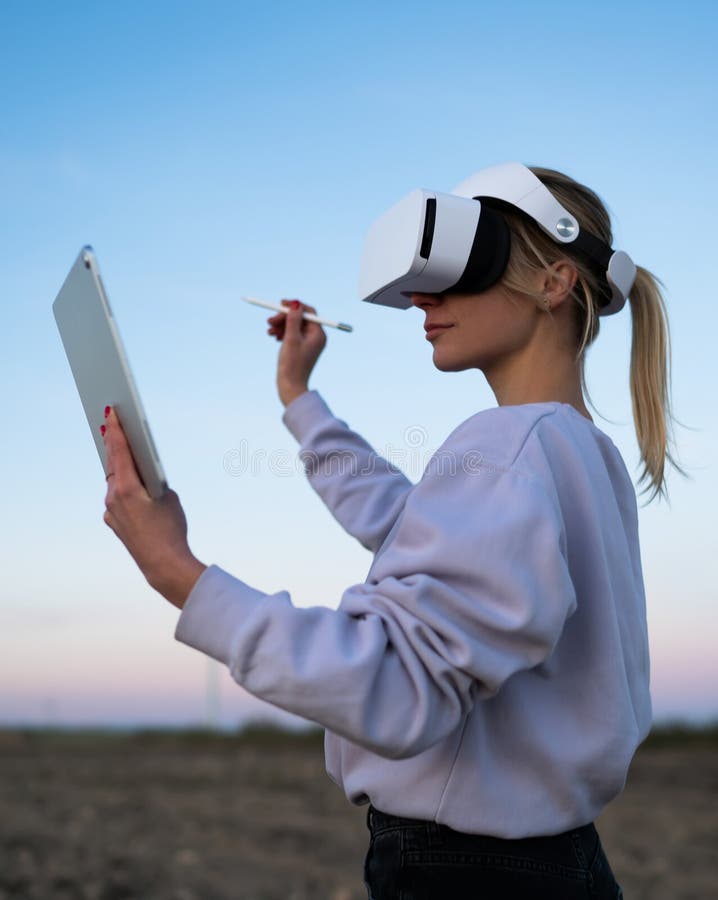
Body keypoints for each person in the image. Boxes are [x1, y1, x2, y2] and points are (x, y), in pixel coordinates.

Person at [100, 165, 684, 899]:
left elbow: (402, 685)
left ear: (554, 282)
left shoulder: (509, 448)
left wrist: (175, 572)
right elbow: (404, 521)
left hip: (465, 873)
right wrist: (299, 397)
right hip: (557, 861)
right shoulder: (570, 450)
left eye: (469, 261)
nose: (422, 297)